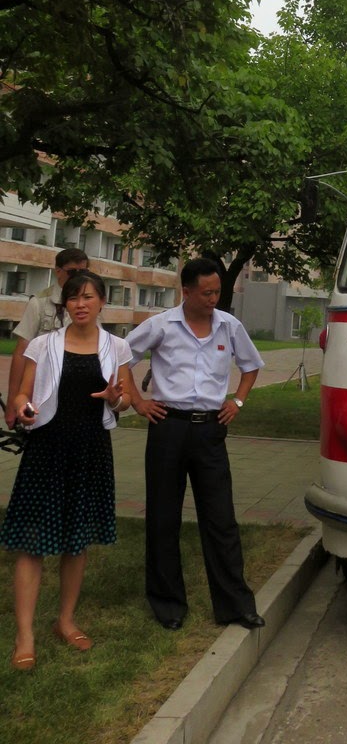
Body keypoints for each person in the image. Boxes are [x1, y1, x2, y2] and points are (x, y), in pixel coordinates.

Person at [1, 271, 131, 671]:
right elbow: (24, 391)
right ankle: (25, 634)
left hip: (91, 451)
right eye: (72, 298)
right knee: (33, 541)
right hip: (47, 449)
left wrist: (116, 399)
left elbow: (123, 400)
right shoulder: (43, 344)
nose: (80, 304)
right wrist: (23, 406)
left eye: (88, 297)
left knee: (77, 542)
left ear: (101, 301)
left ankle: (65, 620)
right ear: (64, 304)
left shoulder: (117, 346)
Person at [127, 257, 266, 631]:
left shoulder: (229, 326)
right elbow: (122, 357)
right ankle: (168, 603)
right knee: (163, 516)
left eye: (217, 292)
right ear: (185, 291)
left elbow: (251, 365)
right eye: (206, 292)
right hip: (167, 427)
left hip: (209, 431)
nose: (212, 298)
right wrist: (138, 402)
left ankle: (236, 604)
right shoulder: (160, 326)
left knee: (221, 519)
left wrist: (237, 399)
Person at [5, 248, 89, 429]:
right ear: (58, 271)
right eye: (73, 272)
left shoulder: (90, 303)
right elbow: (21, 353)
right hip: (41, 395)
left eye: (84, 272)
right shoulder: (40, 302)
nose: (78, 277)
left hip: (77, 396)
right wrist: (13, 402)